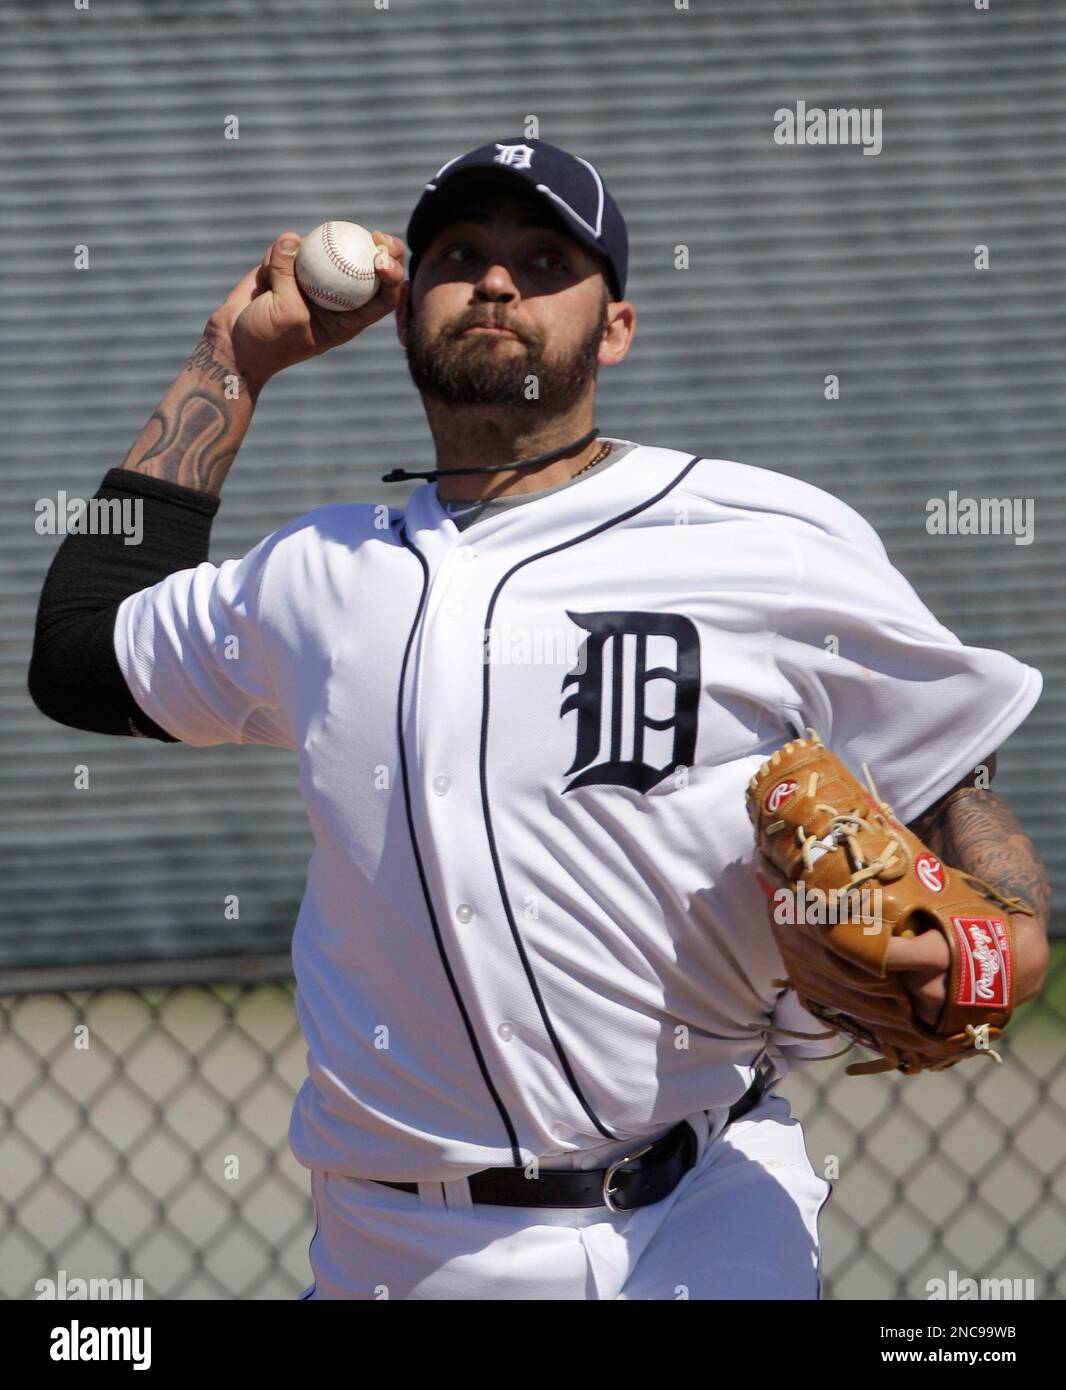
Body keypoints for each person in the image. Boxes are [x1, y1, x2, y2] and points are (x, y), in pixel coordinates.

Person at [28, 138, 1050, 1300]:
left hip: (705, 1218)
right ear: (405, 307)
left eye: (545, 257)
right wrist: (232, 361)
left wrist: (1002, 934)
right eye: (461, 254)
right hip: (392, 1252)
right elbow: (77, 654)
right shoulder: (315, 571)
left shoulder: (761, 533)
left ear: (614, 325)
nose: (499, 280)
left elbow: (951, 777)